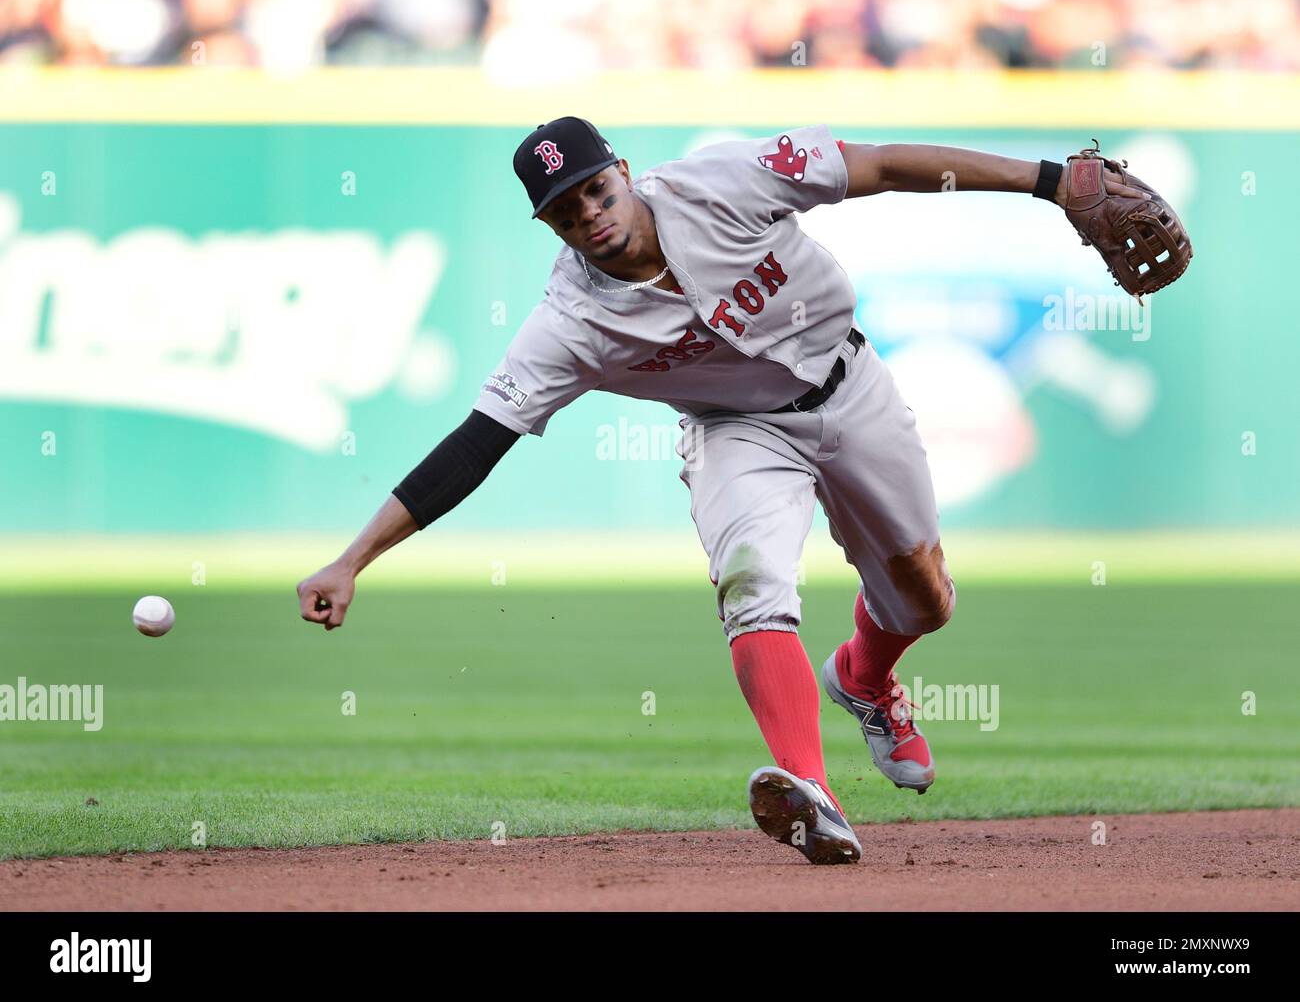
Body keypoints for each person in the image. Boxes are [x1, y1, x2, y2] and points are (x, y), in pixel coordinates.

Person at [296, 117, 1146, 864]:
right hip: (734, 432)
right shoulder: (568, 323)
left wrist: (1045, 183)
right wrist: (351, 559)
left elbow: (882, 166)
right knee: (754, 587)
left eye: (594, 189)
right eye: (564, 209)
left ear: (622, 170)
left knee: (926, 602)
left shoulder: (726, 181)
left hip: (850, 384)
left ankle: (863, 676)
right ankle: (814, 793)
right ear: (549, 224)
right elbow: (476, 444)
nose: (589, 214)